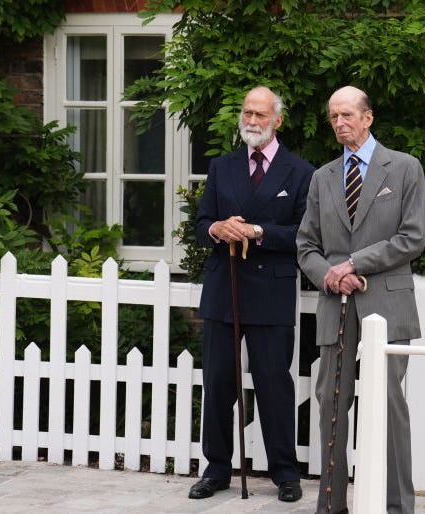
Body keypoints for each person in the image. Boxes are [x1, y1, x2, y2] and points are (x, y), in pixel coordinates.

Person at [296, 86, 425, 514]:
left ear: (368, 118)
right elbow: (306, 248)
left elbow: (412, 237)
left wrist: (353, 263)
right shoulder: (322, 177)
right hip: (336, 305)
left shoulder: (405, 169)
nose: (339, 123)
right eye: (333, 116)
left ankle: (396, 507)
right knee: (330, 401)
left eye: (347, 115)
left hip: (387, 304)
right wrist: (332, 277)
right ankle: (331, 504)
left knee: (389, 404)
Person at [189, 86, 314, 502]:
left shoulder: (300, 172)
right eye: (247, 113)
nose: (252, 121)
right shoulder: (222, 167)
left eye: (261, 114)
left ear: (277, 120)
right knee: (219, 382)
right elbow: (201, 221)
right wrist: (217, 228)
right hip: (225, 286)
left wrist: (257, 232)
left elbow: (304, 235)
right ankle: (217, 469)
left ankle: (285, 473)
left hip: (272, 292)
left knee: (274, 383)